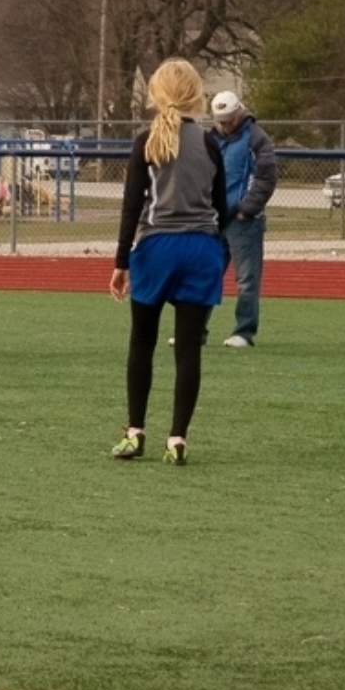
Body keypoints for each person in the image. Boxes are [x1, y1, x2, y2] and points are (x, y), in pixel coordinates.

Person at [108, 59, 229, 466]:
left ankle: (135, 431)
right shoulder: (211, 142)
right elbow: (222, 206)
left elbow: (131, 207)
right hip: (200, 249)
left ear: (156, 94)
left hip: (157, 247)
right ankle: (177, 438)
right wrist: (219, 249)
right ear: (196, 94)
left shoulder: (146, 141)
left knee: (142, 341)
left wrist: (121, 261)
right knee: (189, 348)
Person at [206, 92, 277, 349]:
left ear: (238, 114)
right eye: (220, 121)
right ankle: (195, 330)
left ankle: (244, 332)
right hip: (213, 218)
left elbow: (266, 178)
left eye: (228, 121)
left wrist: (246, 209)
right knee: (206, 274)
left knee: (246, 279)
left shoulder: (257, 139)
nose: (224, 126)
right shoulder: (210, 139)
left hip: (243, 220)